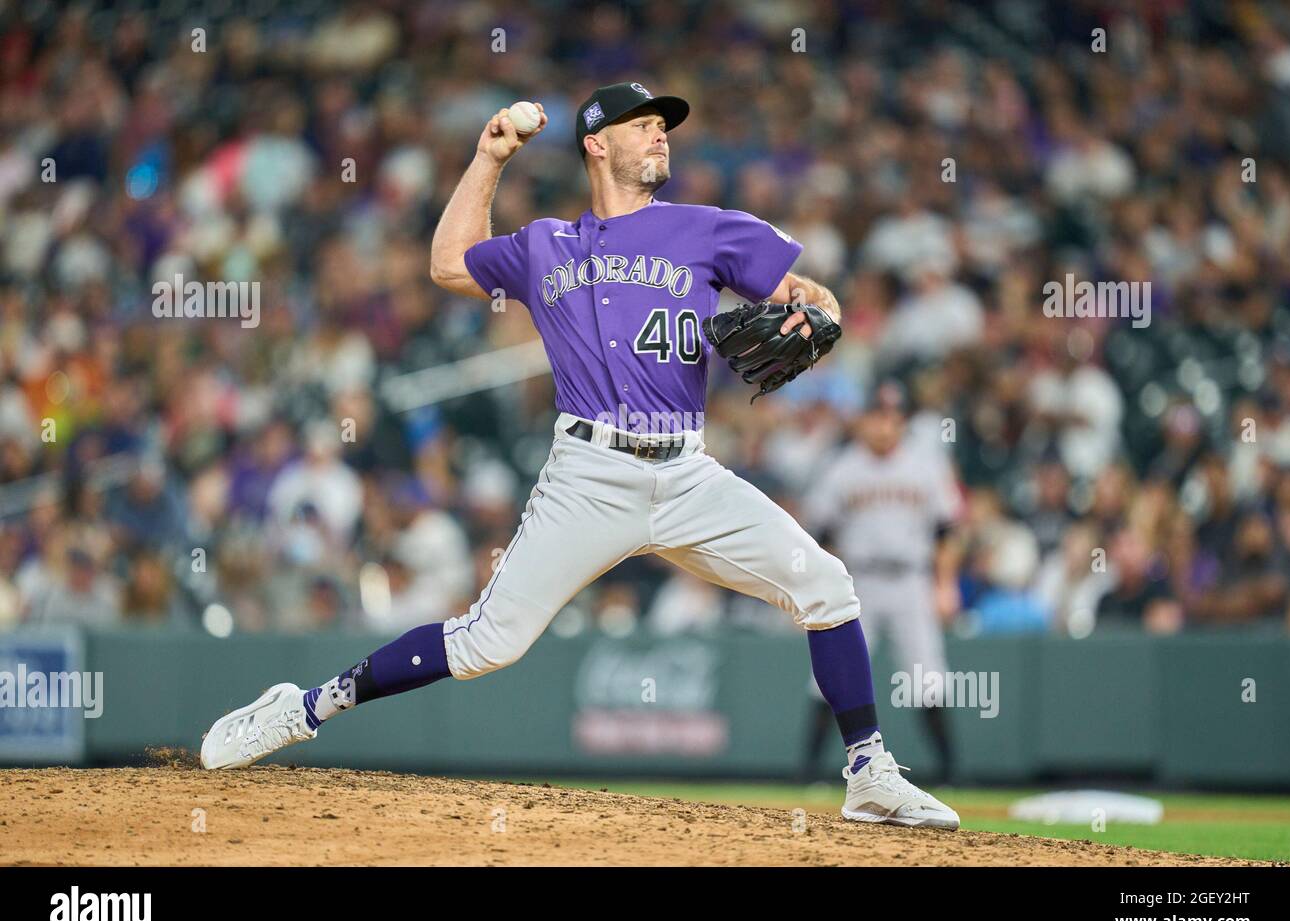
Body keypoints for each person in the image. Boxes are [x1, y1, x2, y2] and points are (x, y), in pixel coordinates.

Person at [198, 82, 958, 830]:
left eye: (666, 125)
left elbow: (807, 290)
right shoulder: (545, 245)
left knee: (825, 586)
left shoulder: (707, 229)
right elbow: (447, 263)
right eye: (643, 124)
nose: (661, 134)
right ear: (597, 142)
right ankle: (302, 708)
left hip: (688, 471)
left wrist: (817, 310)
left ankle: (870, 773)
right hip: (589, 475)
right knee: (486, 643)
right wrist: (489, 158)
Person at [801, 381, 963, 783]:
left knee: (927, 677)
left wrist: (946, 584)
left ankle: (951, 774)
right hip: (860, 581)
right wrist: (818, 585)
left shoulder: (926, 464)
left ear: (902, 420)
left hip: (912, 580)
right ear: (864, 421)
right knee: (832, 673)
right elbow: (819, 532)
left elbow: (946, 530)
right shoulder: (842, 467)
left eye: (892, 416)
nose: (884, 425)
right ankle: (805, 774)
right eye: (877, 416)